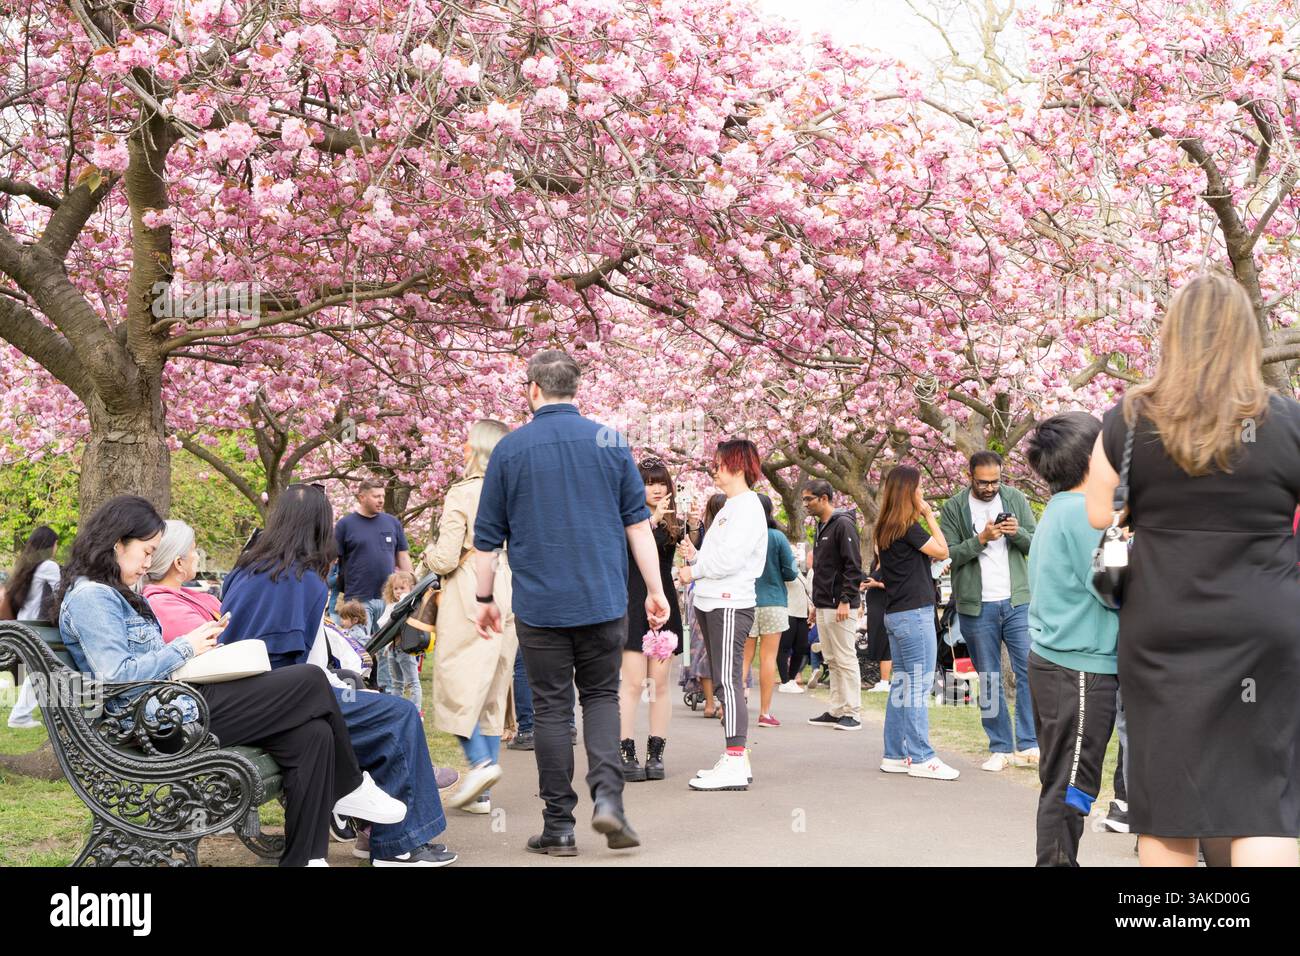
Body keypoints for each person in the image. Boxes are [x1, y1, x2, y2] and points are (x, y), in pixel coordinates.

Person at [1083, 271, 1300, 868]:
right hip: (1264, 623)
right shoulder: (1287, 420)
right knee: (1267, 794)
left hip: (1164, 626)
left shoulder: (1131, 417)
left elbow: (1100, 509)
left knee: (1169, 800)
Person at [58, 495, 404, 867]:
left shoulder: (115, 594)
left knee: (313, 733)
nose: (147, 563)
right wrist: (186, 648)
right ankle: (349, 786)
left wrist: (198, 648)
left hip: (176, 708)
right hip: (159, 725)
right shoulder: (92, 597)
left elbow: (138, 664)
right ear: (116, 544)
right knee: (309, 680)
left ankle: (307, 858)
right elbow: (115, 676)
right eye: (146, 551)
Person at [472, 349, 669, 856]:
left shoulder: (510, 451)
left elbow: (487, 539)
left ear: (532, 390)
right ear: (575, 389)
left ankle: (558, 826)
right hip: (602, 601)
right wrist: (655, 589)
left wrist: (485, 597)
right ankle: (609, 800)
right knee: (601, 697)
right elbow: (637, 525)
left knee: (554, 709)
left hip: (542, 608)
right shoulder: (610, 441)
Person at [222, 484, 456, 867]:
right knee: (396, 715)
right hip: (288, 700)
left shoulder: (243, 570)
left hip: (244, 697)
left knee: (383, 711)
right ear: (320, 526)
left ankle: (376, 831)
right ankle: (400, 843)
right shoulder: (303, 579)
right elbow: (294, 661)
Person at [1024, 412, 1120, 866]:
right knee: (1072, 787)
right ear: (1091, 457)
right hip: (1080, 668)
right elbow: (1114, 591)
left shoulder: (1059, 509)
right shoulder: (1087, 515)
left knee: (1062, 780)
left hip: (1056, 663)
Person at [423, 419, 519, 816]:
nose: (461, 448)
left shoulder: (462, 493)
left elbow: (445, 557)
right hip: (508, 587)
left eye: (466, 443)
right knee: (493, 687)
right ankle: (483, 795)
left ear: (478, 450)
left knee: (459, 681)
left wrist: (427, 555)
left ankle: (480, 764)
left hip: (469, 590)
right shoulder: (517, 492)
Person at [938, 451, 1039, 771]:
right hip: (975, 605)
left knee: (1029, 672)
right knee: (990, 677)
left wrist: (1016, 533)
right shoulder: (954, 507)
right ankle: (1000, 746)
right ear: (970, 476)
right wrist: (981, 539)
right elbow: (948, 554)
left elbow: (1035, 544)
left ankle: (1029, 743)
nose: (990, 488)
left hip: (1017, 601)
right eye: (983, 482)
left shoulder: (1015, 498)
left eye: (995, 481)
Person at [678, 439, 769, 791]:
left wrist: (694, 572)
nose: (713, 468)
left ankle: (734, 756)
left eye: (719, 463)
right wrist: (696, 557)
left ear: (738, 466)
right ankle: (735, 757)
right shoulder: (732, 507)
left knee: (729, 682)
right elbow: (720, 556)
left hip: (730, 602)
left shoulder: (747, 507)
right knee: (722, 681)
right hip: (714, 601)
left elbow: (731, 561)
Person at [874, 466, 957, 781]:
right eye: (920, 488)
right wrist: (928, 515)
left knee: (901, 684)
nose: (923, 494)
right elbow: (943, 549)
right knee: (918, 686)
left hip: (895, 614)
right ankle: (921, 756)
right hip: (914, 614)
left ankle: (894, 754)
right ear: (909, 491)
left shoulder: (885, 527)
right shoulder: (908, 526)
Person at [619, 456, 685, 782]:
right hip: (631, 605)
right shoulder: (623, 521)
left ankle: (655, 754)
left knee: (658, 685)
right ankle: (625, 751)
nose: (656, 488)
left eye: (661, 482)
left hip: (664, 607)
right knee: (632, 683)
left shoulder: (675, 523)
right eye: (648, 482)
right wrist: (648, 522)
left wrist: (658, 523)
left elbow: (662, 557)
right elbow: (626, 555)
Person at [801, 480, 865, 731]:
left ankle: (853, 712)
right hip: (825, 603)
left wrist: (846, 599)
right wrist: (817, 604)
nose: (805, 504)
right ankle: (837, 708)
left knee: (845, 657)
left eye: (809, 499)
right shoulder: (822, 526)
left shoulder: (843, 524)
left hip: (841, 604)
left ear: (824, 498)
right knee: (832, 658)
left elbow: (853, 565)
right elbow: (822, 569)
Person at [743, 493, 798, 727]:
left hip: (745, 602)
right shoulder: (777, 537)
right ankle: (764, 713)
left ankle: (729, 710)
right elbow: (791, 572)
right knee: (768, 659)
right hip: (774, 603)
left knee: (742, 660)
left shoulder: (742, 537)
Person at [334, 478, 412, 634]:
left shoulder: (392, 523)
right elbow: (332, 558)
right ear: (362, 497)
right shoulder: (345, 525)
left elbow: (402, 557)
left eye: (382, 496)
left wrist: (412, 587)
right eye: (376, 496)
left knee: (385, 651)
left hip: (389, 599)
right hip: (358, 599)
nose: (381, 500)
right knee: (360, 645)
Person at [4, 526, 61, 728]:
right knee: (43, 670)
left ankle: (27, 714)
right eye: (56, 545)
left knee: (40, 670)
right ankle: (19, 716)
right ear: (50, 545)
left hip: (23, 625)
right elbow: (61, 592)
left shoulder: (26, 566)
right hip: (38, 628)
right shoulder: (48, 566)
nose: (56, 549)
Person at [142, 520, 223, 642]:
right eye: (193, 550)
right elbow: (217, 646)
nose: (197, 556)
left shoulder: (179, 597)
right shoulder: (166, 607)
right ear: (179, 563)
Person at [375, 571, 422, 711]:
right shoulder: (391, 606)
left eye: (402, 588)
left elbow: (406, 603)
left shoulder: (411, 604)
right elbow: (382, 623)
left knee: (412, 682)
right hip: (392, 649)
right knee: (396, 683)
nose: (398, 591)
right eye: (395, 588)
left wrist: (405, 597)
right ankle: (397, 711)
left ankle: (416, 711)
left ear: (411, 589)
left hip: (405, 648)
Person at [777, 542, 812, 693]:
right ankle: (784, 679)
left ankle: (791, 678)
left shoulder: (799, 572)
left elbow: (808, 590)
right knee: (784, 646)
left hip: (802, 613)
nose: (794, 556)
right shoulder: (782, 570)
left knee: (801, 647)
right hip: (788, 611)